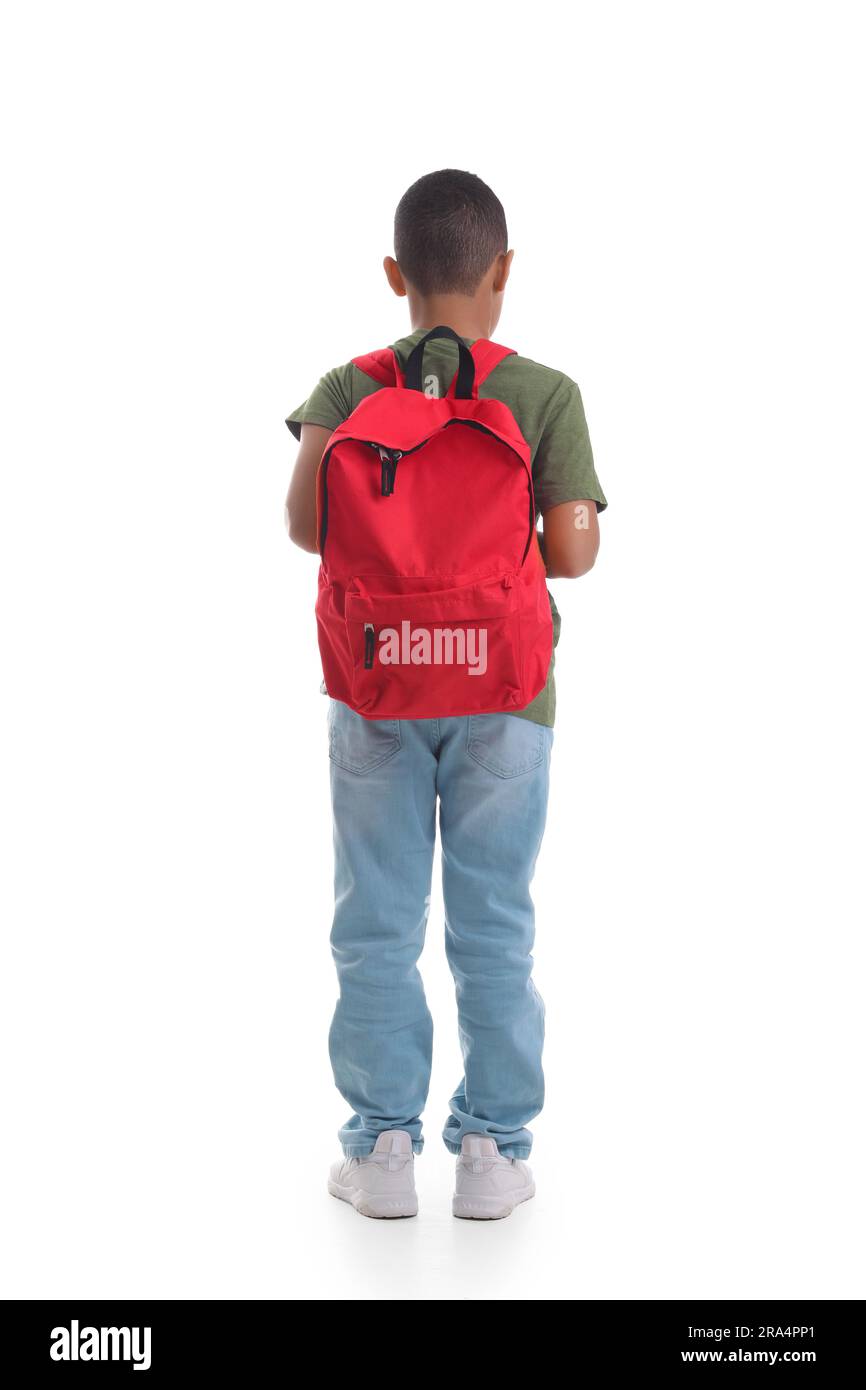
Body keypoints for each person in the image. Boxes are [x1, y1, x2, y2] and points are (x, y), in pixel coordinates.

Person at [284, 169, 607, 1220]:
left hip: (377, 685)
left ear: (394, 276)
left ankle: (380, 1148)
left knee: (374, 924)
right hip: (508, 699)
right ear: (502, 271)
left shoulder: (346, 386)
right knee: (493, 927)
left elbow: (305, 527)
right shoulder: (543, 392)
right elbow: (570, 555)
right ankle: (491, 1151)